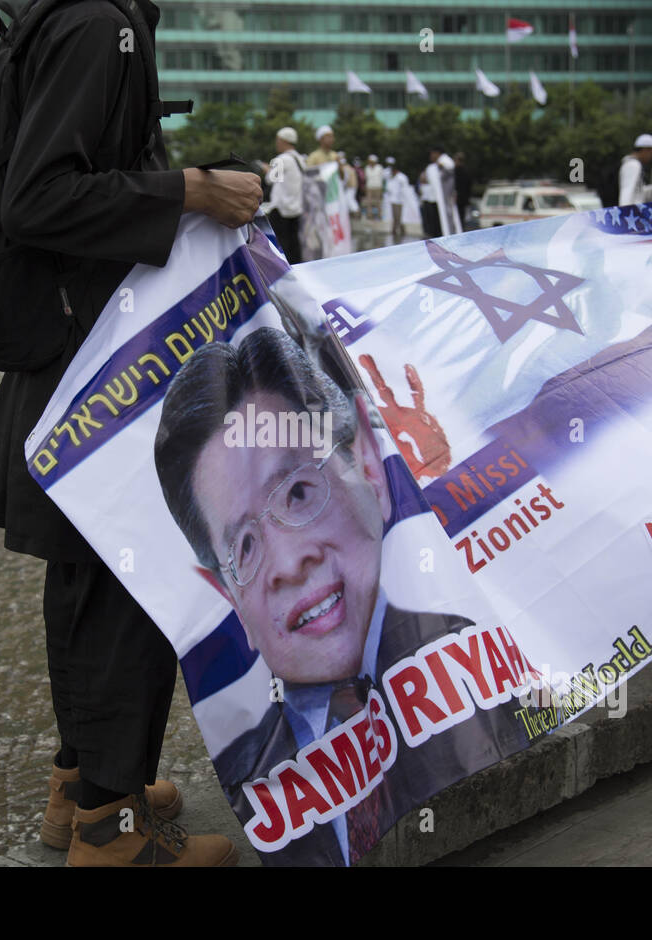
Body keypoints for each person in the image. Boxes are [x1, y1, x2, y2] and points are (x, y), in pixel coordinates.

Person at [0, 0, 261, 867]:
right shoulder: (99, 22)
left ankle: (87, 788)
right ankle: (111, 834)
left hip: (84, 346)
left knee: (88, 570)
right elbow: (38, 197)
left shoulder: (86, 15)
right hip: (100, 355)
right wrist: (192, 190)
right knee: (127, 579)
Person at [152, 327, 532, 865]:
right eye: (245, 545)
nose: (288, 564)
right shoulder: (250, 772)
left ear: (371, 468)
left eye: (299, 491)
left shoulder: (506, 671)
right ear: (227, 595)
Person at [262, 126, 305, 264]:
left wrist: (265, 169)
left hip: (281, 208)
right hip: (296, 207)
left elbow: (270, 178)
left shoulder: (282, 159)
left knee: (281, 245)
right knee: (294, 244)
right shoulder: (300, 158)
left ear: (283, 141)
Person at [618, 134, 652, 206]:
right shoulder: (633, 165)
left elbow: (637, 193)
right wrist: (625, 213)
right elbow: (627, 192)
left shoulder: (632, 164)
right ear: (645, 150)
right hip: (632, 214)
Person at [384, 157, 410, 242]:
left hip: (400, 200)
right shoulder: (392, 177)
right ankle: (395, 232)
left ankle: (400, 232)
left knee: (399, 217)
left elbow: (405, 189)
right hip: (393, 200)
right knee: (395, 217)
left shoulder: (402, 177)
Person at [453, 151, 473, 229]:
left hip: (457, 199)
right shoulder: (467, 171)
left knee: (458, 220)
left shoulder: (455, 171)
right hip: (464, 199)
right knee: (463, 220)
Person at [363, 154, 385, 223]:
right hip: (369, 187)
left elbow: (382, 178)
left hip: (378, 187)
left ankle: (379, 216)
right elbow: (366, 178)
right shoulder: (367, 168)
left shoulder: (379, 167)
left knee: (378, 202)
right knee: (369, 202)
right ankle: (370, 216)